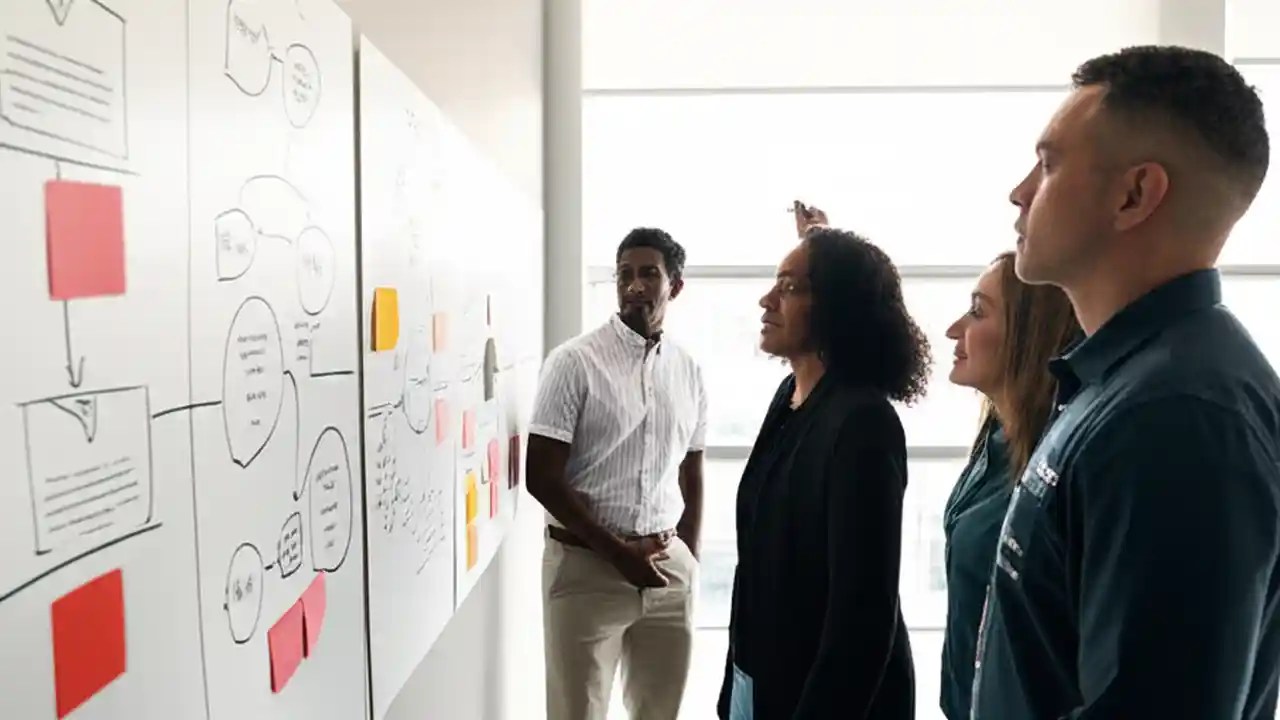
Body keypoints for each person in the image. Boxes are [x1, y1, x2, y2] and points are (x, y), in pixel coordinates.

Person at [971, 46, 1280, 719]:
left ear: (1134, 194)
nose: (1021, 192)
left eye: (1049, 164)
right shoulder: (1122, 380)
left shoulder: (1182, 415)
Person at [718, 222, 930, 719]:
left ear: (836, 305)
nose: (767, 300)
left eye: (789, 287)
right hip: (764, 682)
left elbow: (861, 619)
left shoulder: (863, 422)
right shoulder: (788, 398)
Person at [526, 226, 707, 720]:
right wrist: (617, 553)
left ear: (675, 285)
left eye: (649, 274)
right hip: (585, 569)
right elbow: (541, 477)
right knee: (576, 713)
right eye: (625, 274)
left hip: (667, 569)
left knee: (659, 712)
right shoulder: (573, 362)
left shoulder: (688, 370)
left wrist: (687, 553)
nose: (635, 285)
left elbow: (692, 466)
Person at [938, 251, 1079, 720]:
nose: (955, 329)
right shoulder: (996, 437)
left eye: (978, 311)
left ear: (1028, 334)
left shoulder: (1057, 459)